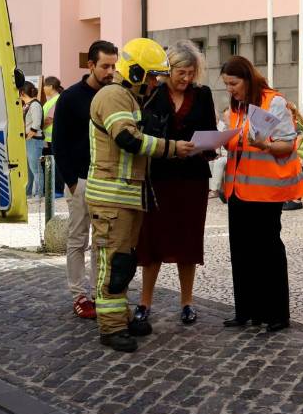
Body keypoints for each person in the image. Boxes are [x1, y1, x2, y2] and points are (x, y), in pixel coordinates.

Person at [87, 38, 194, 352]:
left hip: (125, 196)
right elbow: (128, 139)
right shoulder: (113, 96)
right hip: (112, 197)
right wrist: (172, 148)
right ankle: (111, 328)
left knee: (124, 262)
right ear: (135, 72)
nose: (155, 83)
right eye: (151, 76)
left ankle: (119, 316)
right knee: (113, 264)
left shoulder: (127, 98)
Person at [134, 40, 216, 328]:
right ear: (169, 70)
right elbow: (143, 133)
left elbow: (210, 129)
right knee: (152, 241)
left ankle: (187, 302)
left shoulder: (202, 94)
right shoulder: (152, 94)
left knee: (188, 241)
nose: (187, 78)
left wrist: (209, 146)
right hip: (159, 177)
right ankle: (145, 302)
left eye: (191, 73)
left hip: (192, 178)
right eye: (182, 72)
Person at [219, 56, 303, 333]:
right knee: (241, 251)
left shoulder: (273, 102)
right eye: (226, 84)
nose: (230, 89)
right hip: (237, 190)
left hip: (265, 192)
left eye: (233, 83)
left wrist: (265, 145)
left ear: (247, 79)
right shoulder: (237, 106)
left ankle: (277, 313)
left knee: (268, 252)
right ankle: (246, 311)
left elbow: (287, 145)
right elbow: (236, 142)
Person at [52, 40, 118, 319]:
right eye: (105, 66)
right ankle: (79, 294)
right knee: (78, 239)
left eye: (113, 66)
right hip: (80, 180)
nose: (110, 71)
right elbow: (59, 143)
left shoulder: (115, 95)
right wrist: (71, 181)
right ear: (91, 65)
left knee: (103, 241)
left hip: (107, 179)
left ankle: (100, 291)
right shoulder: (70, 98)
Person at [41, 77, 65, 198]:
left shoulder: (57, 100)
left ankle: (58, 189)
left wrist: (38, 124)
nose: (43, 88)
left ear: (50, 86)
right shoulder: (51, 101)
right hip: (48, 139)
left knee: (56, 165)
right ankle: (53, 189)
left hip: (54, 139)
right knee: (50, 165)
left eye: (45, 86)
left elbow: (48, 120)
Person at [21, 82, 44, 198]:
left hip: (33, 140)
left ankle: (38, 193)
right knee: (28, 169)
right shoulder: (26, 104)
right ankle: (28, 192)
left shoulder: (34, 105)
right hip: (27, 140)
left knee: (36, 169)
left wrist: (27, 137)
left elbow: (36, 124)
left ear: (22, 92)